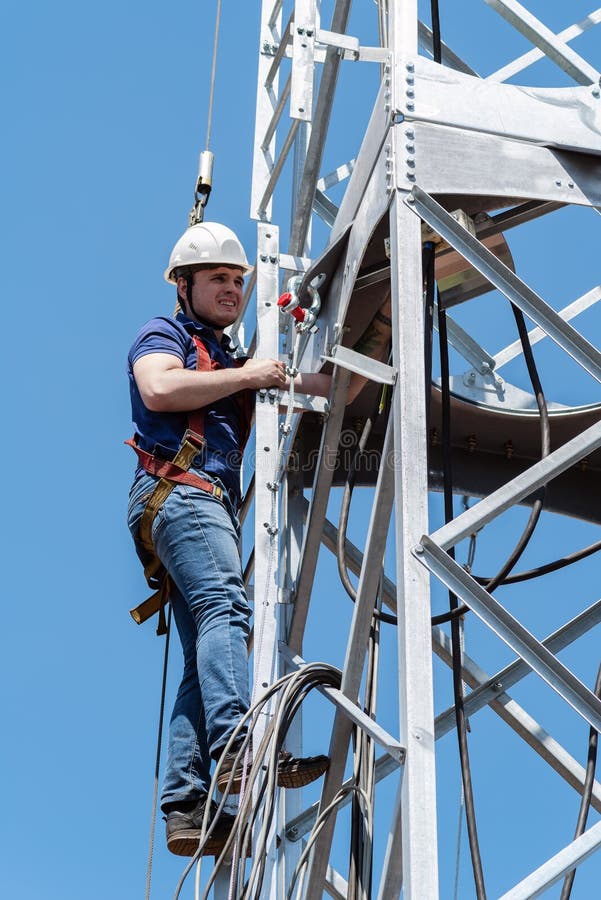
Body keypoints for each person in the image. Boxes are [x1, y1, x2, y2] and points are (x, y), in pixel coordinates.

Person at [126, 221, 392, 857]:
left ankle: (187, 806)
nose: (231, 289)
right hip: (181, 494)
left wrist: (381, 329)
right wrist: (250, 378)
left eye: (239, 281)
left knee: (203, 651)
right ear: (184, 286)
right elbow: (159, 387)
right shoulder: (166, 336)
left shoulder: (240, 364)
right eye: (217, 278)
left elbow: (337, 389)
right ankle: (239, 747)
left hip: (200, 503)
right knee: (227, 609)